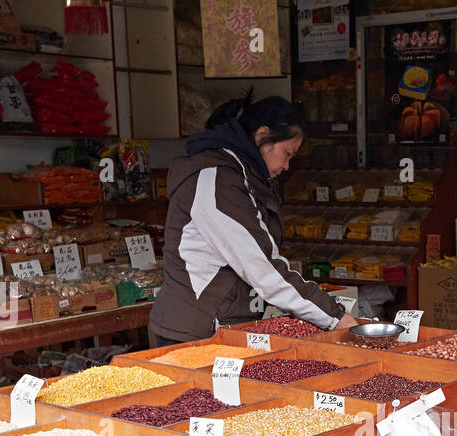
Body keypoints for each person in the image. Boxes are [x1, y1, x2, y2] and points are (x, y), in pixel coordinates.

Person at [149, 91, 359, 345]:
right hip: (196, 331)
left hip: (218, 324)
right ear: (262, 136)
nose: (286, 166)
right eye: (287, 153)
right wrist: (334, 316)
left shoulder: (239, 175)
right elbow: (262, 266)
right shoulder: (217, 179)